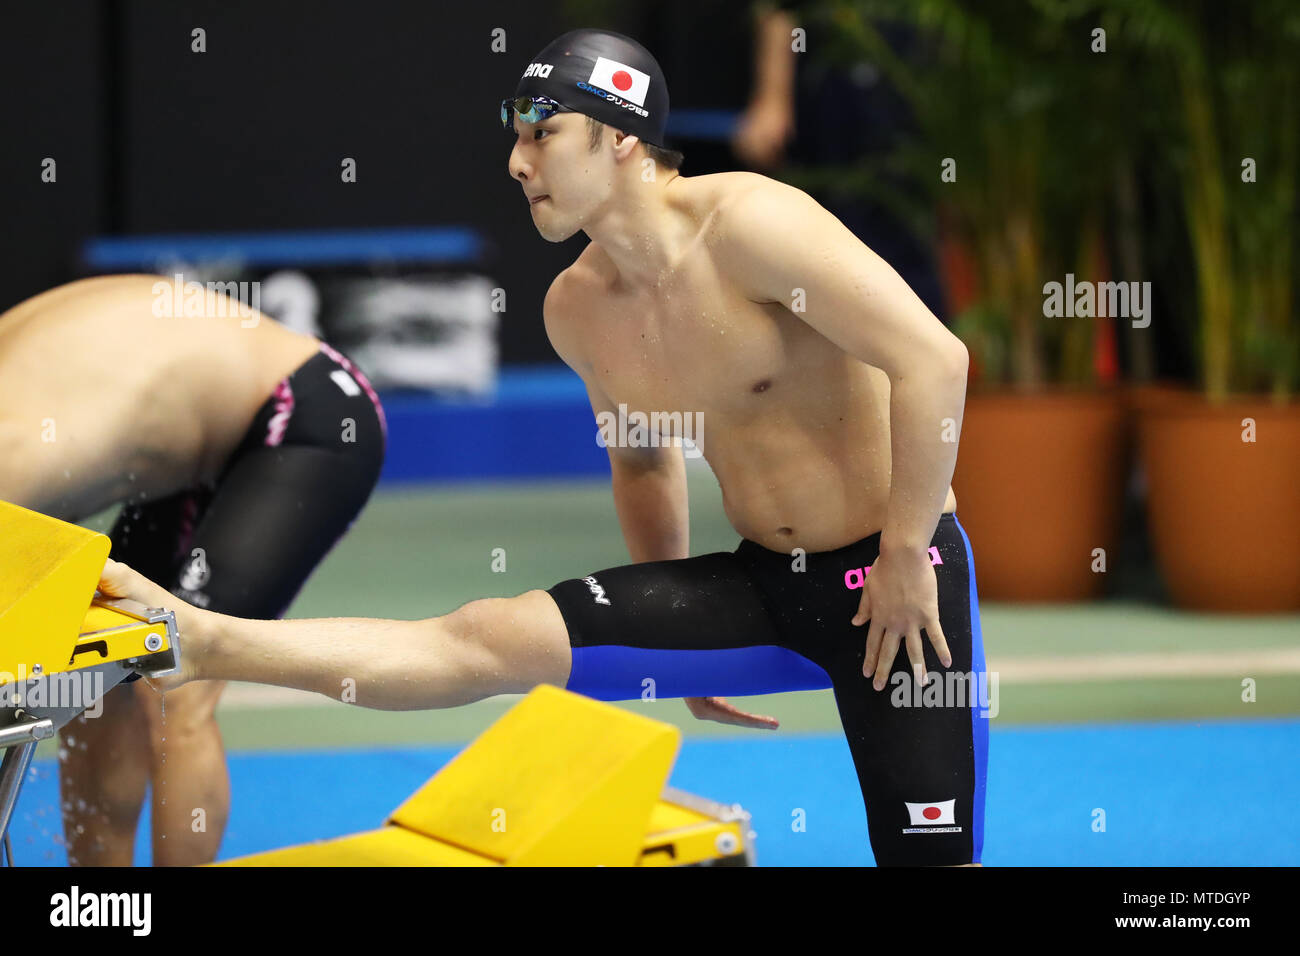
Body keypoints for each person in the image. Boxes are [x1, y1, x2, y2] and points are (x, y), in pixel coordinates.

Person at [101, 28, 985, 866]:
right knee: (484, 635)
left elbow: (934, 361)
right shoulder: (578, 310)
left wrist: (908, 550)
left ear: (623, 139)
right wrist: (667, 616)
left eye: (545, 133)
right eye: (515, 138)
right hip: (764, 584)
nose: (518, 162)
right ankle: (208, 640)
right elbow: (642, 457)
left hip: (901, 588)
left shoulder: (757, 227)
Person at [0, 274, 387, 865]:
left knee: (178, 682)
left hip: (301, 411)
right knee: (89, 675)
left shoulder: (17, 459)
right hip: (187, 444)